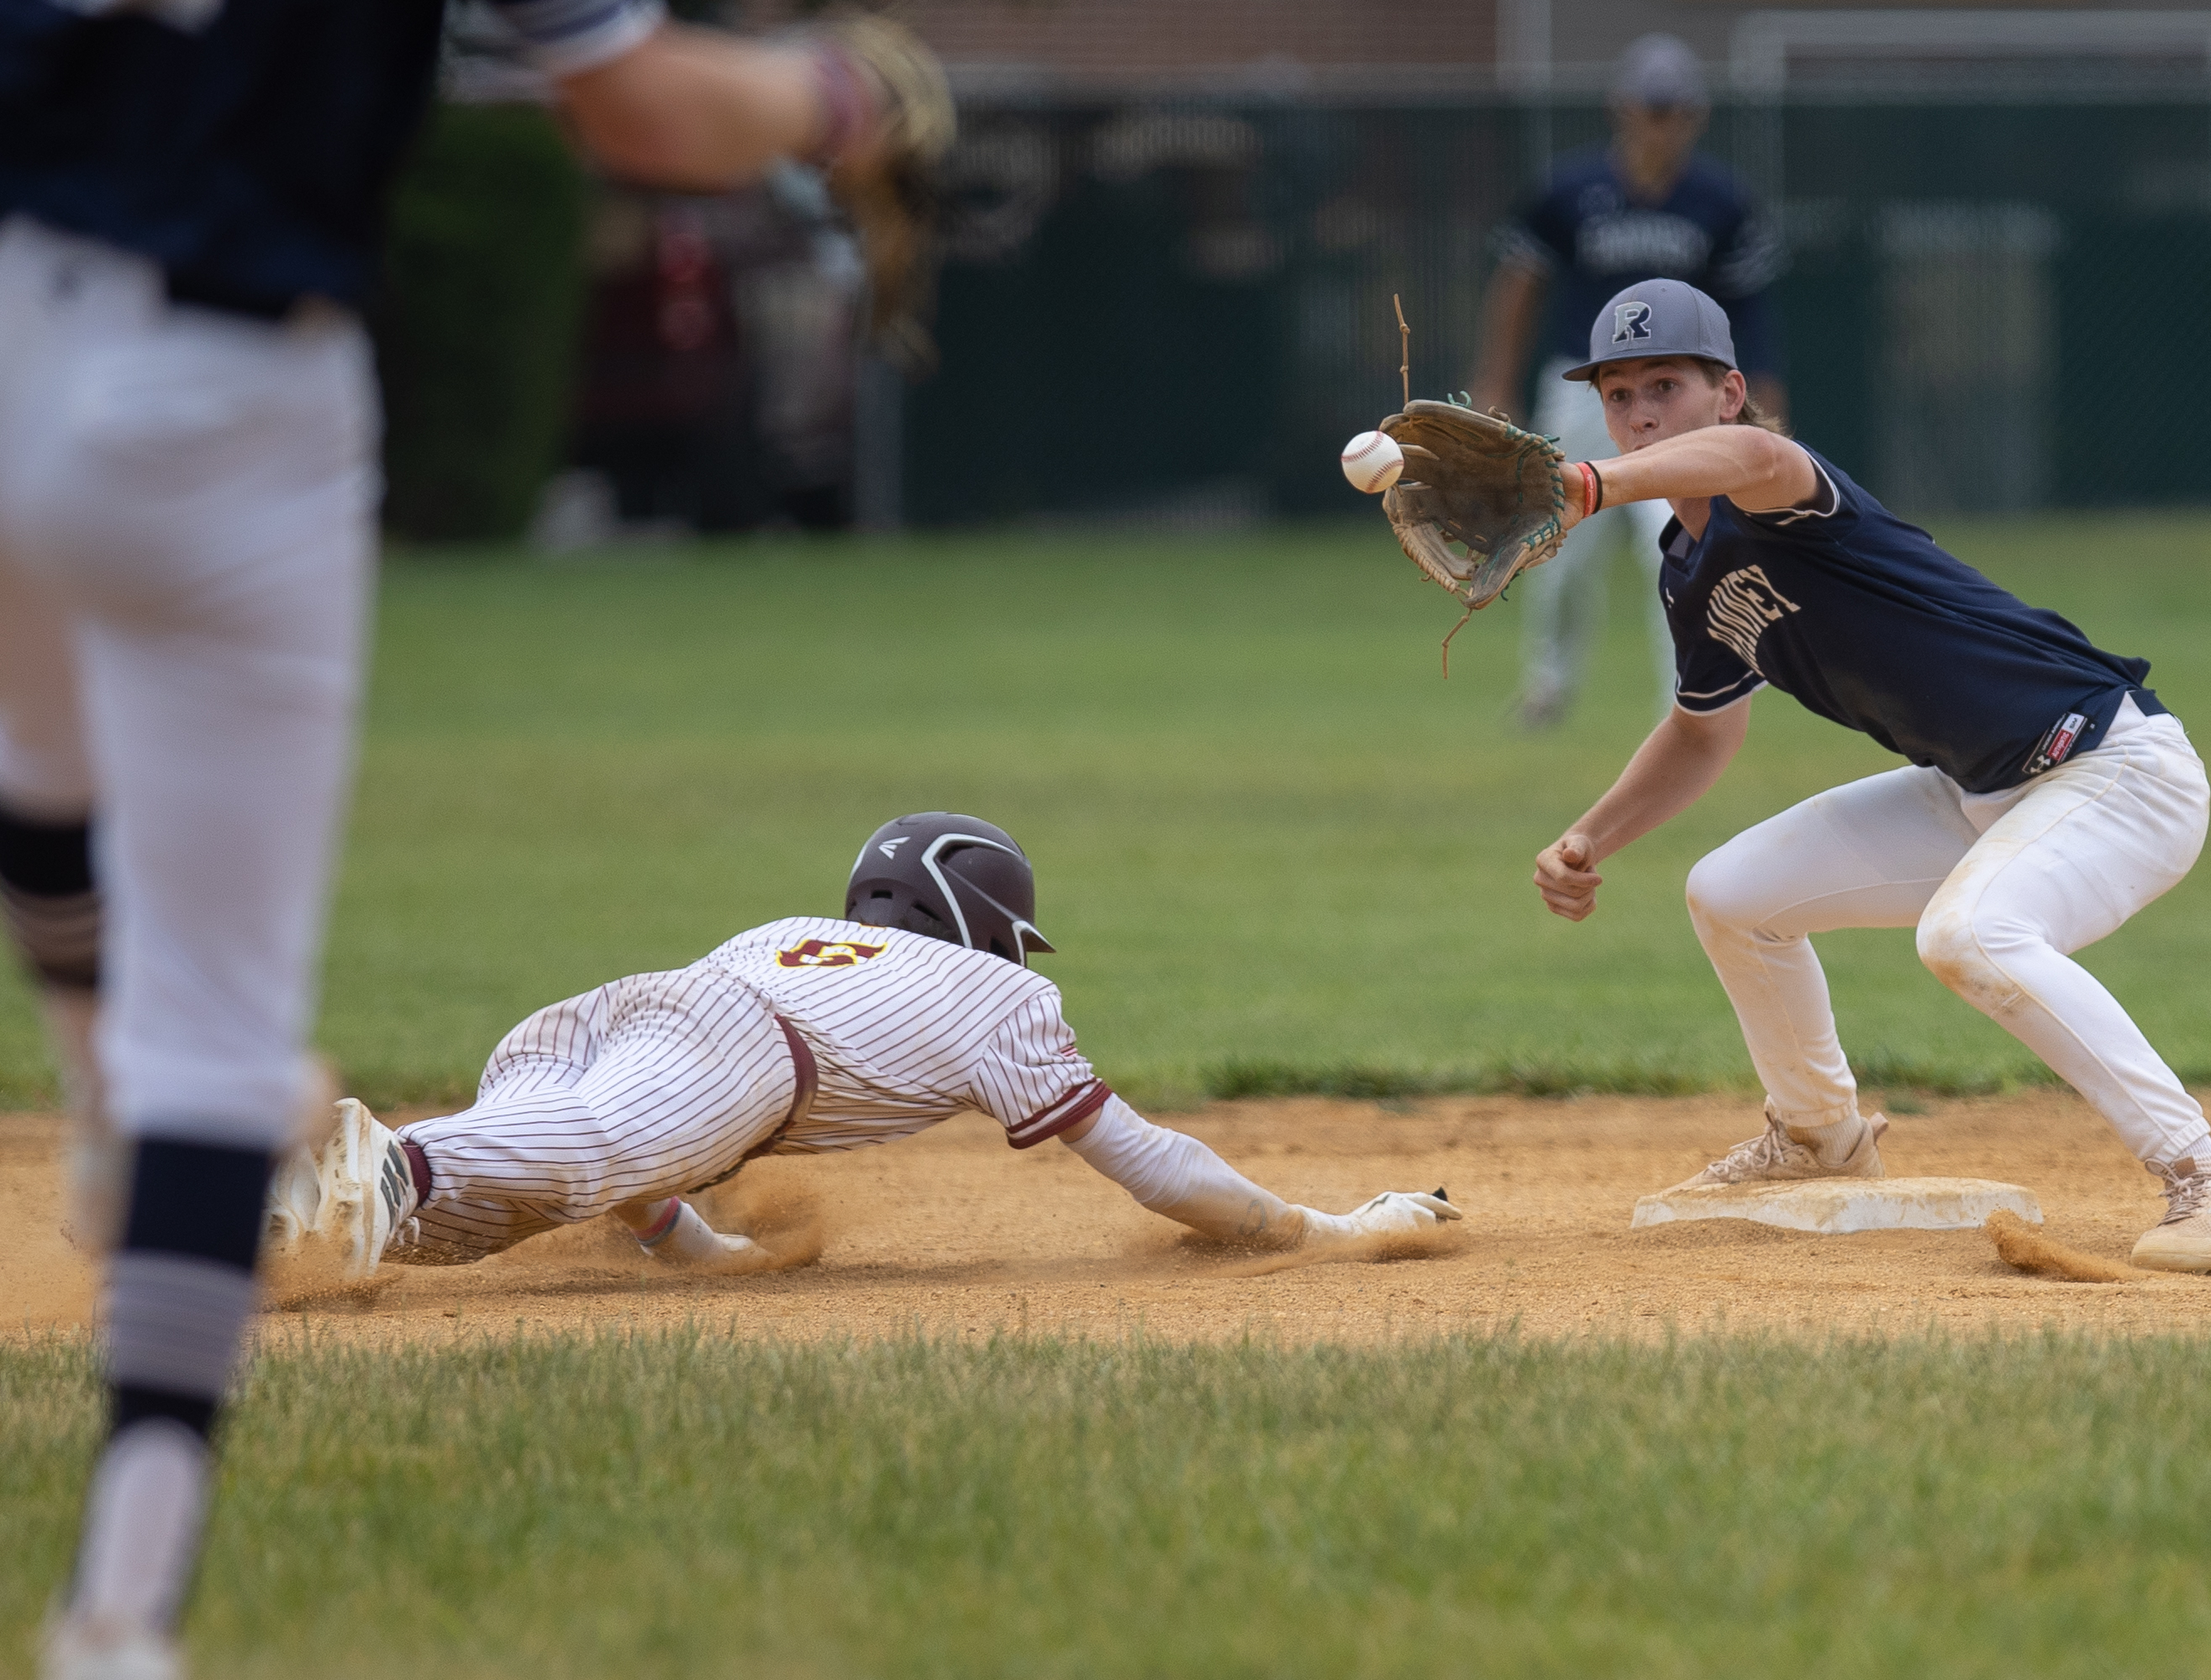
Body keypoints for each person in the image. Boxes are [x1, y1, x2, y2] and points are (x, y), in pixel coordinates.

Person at [0, 3, 950, 1675]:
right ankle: (120, 1618)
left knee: (44, 768)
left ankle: (96, 1068)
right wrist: (837, 97)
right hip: (235, 394)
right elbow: (644, 111)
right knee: (222, 1046)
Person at [1528, 277, 2211, 1274]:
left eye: (1665, 385)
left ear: (1728, 393)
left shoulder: (1778, 485)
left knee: (1969, 934)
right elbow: (1701, 733)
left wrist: (1588, 484)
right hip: (1978, 791)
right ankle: (1817, 1137)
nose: (1639, 413)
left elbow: (1751, 457)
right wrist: (1589, 835)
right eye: (1618, 393)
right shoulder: (1688, 567)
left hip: (2111, 770)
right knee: (1729, 893)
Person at [270, 814, 1462, 1276]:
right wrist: (1320, 1227)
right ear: (986, 922)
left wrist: (703, 1251)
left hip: (615, 1011)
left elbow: (649, 1142)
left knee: (465, 1219)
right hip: (740, 1048)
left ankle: (254, 1221)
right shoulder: (994, 993)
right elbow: (1147, 1160)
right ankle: (348, 1150)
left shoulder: (788, 935)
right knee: (536, 1155)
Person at [1466, 34, 1786, 729]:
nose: (1662, 123)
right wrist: (1495, 381)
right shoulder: (1569, 190)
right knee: (1557, 545)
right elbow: (1518, 285)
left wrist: (1762, 407)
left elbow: (1749, 313)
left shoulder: (1721, 201)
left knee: (1675, 537)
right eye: (1652, 107)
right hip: (1582, 390)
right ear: (1622, 109)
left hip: (1679, 398)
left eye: (1675, 110)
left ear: (1696, 115)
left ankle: (1689, 695)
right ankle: (1548, 684)